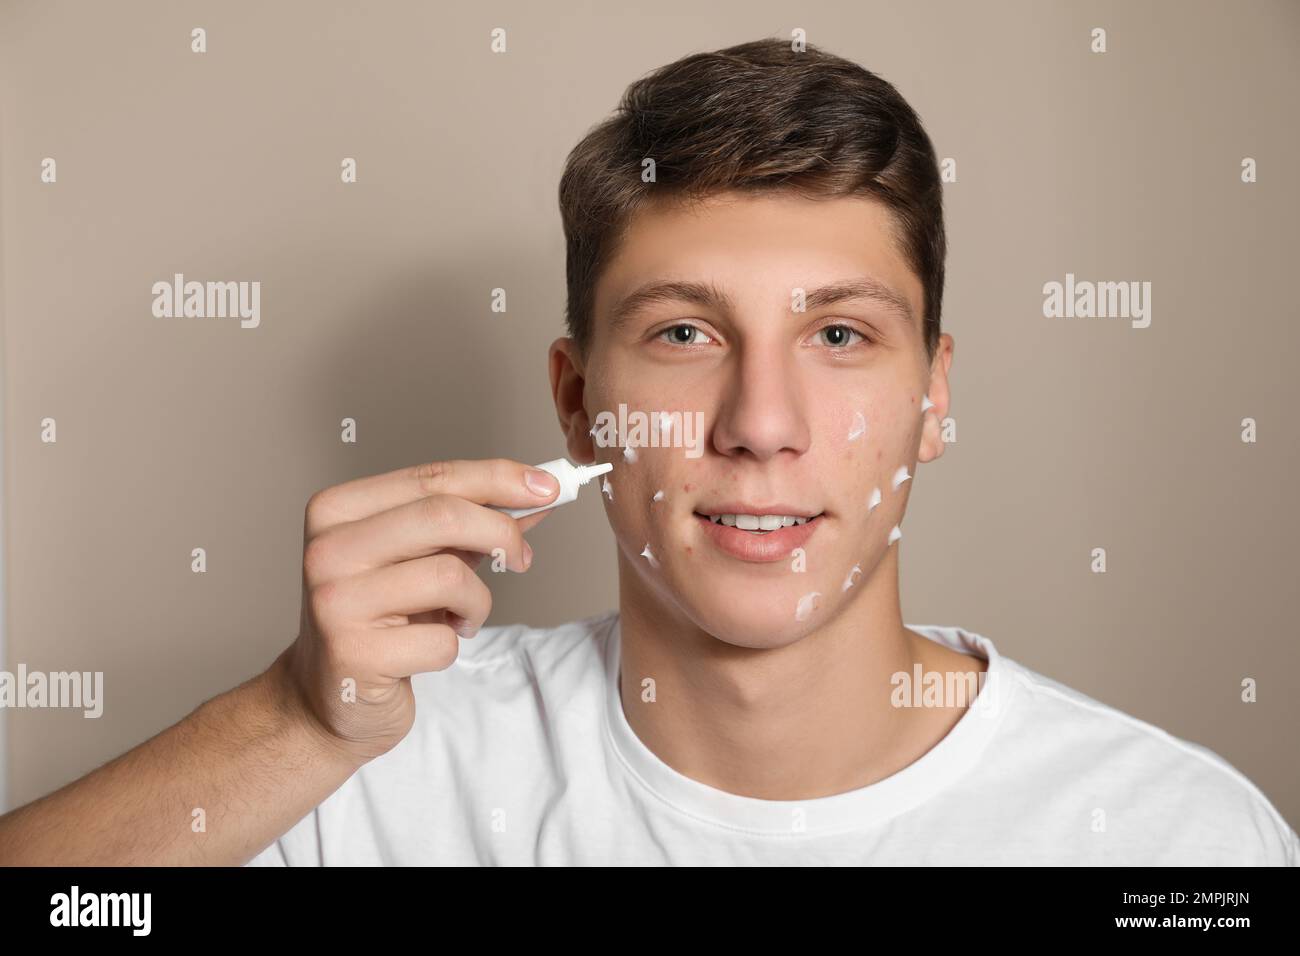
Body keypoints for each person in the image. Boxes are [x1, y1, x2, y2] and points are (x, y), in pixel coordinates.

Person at [1, 38, 1295, 866]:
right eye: (684, 332)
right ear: (576, 404)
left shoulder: (1176, 840)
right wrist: (291, 720)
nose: (762, 424)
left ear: (933, 402)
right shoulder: (377, 764)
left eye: (841, 334)